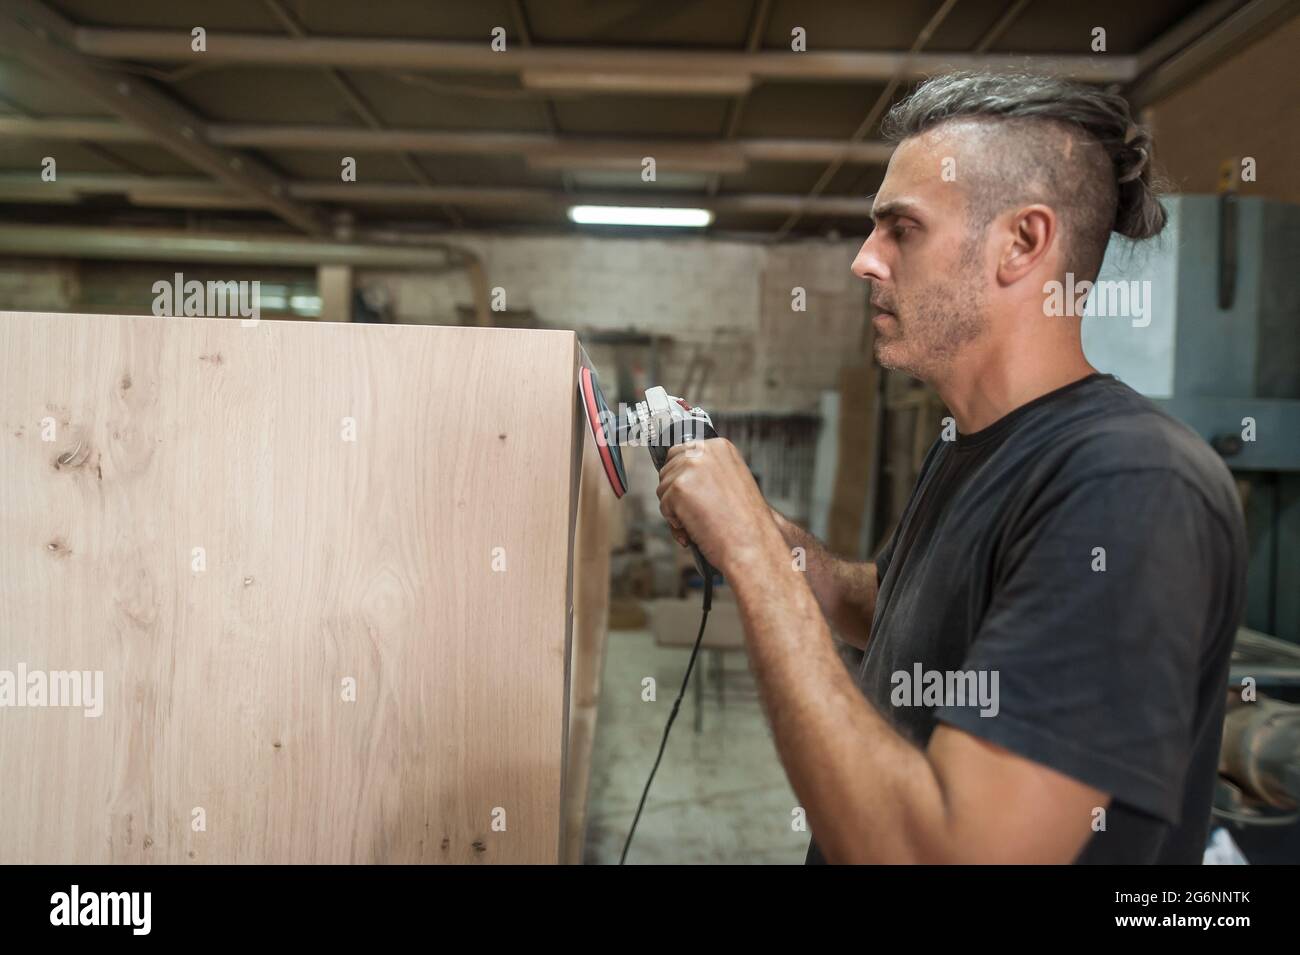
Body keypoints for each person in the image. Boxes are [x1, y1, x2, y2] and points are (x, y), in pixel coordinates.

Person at [655, 71, 1247, 864]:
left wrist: (757, 564)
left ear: (1022, 244)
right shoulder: (971, 441)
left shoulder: (1130, 484)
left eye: (902, 228)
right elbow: (908, 613)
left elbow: (947, 852)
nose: (866, 260)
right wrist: (766, 537)